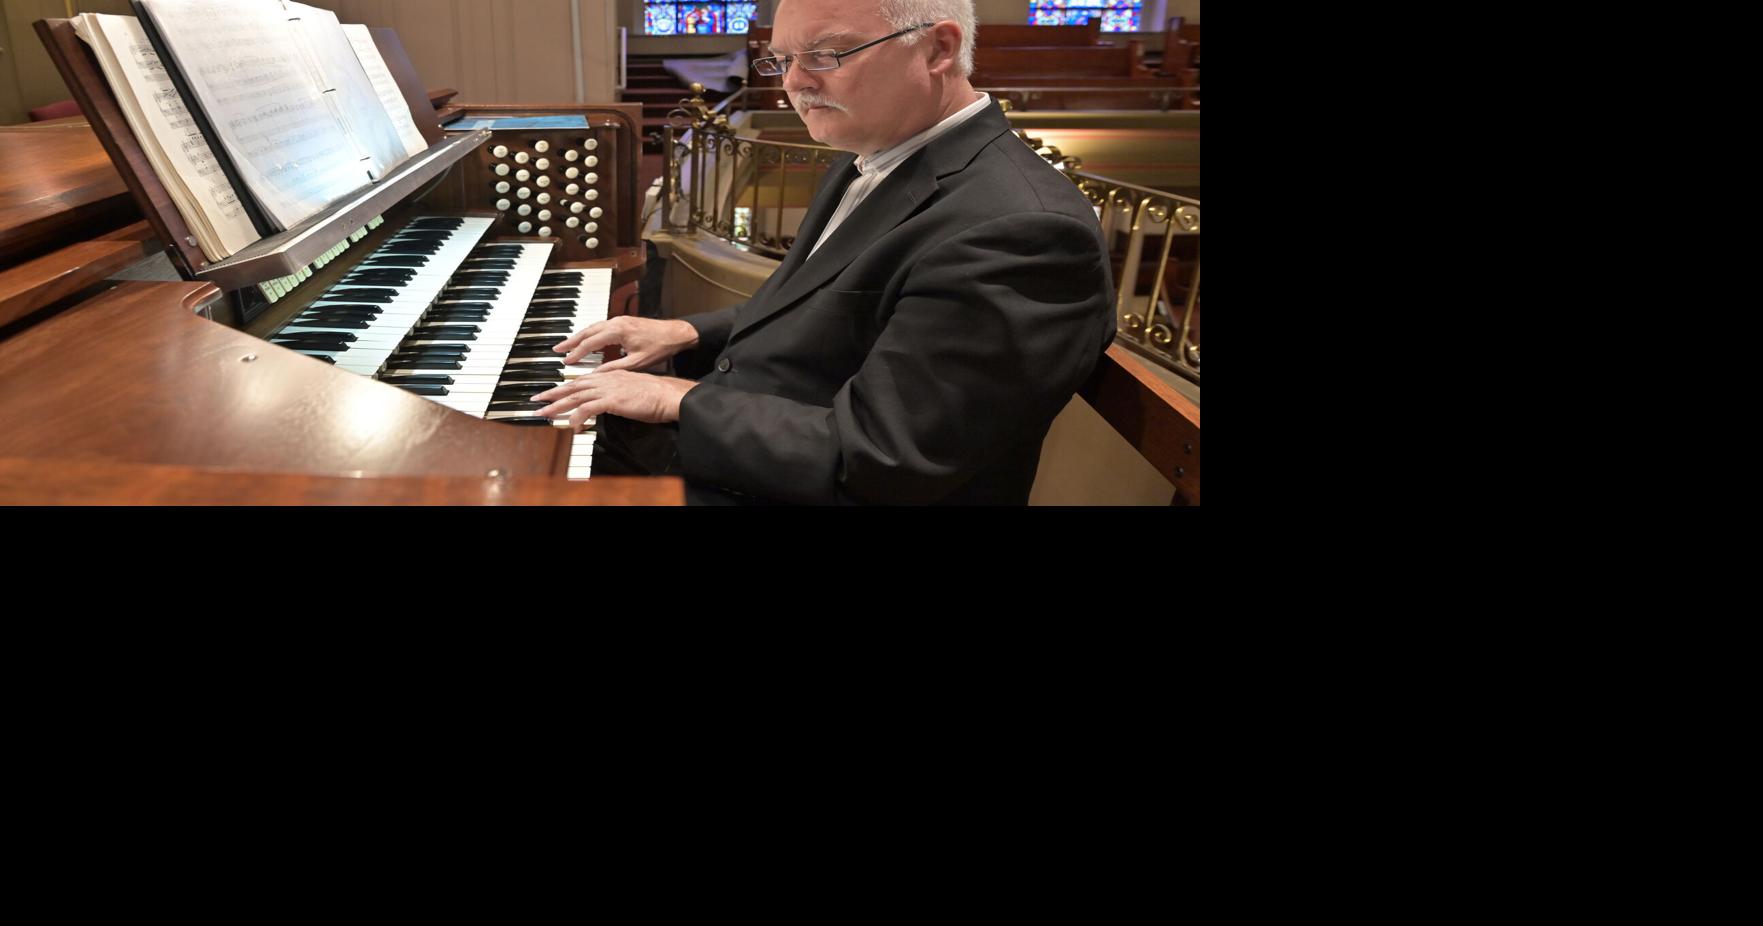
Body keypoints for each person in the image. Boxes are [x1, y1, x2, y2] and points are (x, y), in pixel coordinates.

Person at [534, 0, 1116, 505]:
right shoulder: (876, 155)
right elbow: (827, 307)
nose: (793, 83)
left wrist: (678, 398)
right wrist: (685, 332)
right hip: (756, 452)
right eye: (783, 59)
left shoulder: (1022, 230)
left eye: (826, 55)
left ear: (939, 49)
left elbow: (885, 458)